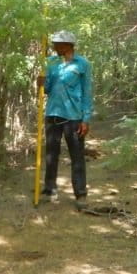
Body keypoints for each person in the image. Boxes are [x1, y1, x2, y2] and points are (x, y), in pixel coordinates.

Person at [38, 30, 92, 207]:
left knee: (77, 156)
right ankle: (50, 189)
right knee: (51, 155)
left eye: (57, 44)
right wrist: (41, 82)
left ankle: (81, 194)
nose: (54, 47)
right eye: (53, 43)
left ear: (68, 45)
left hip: (74, 116)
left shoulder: (82, 64)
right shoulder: (51, 62)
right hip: (52, 113)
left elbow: (87, 92)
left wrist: (86, 118)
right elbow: (46, 89)